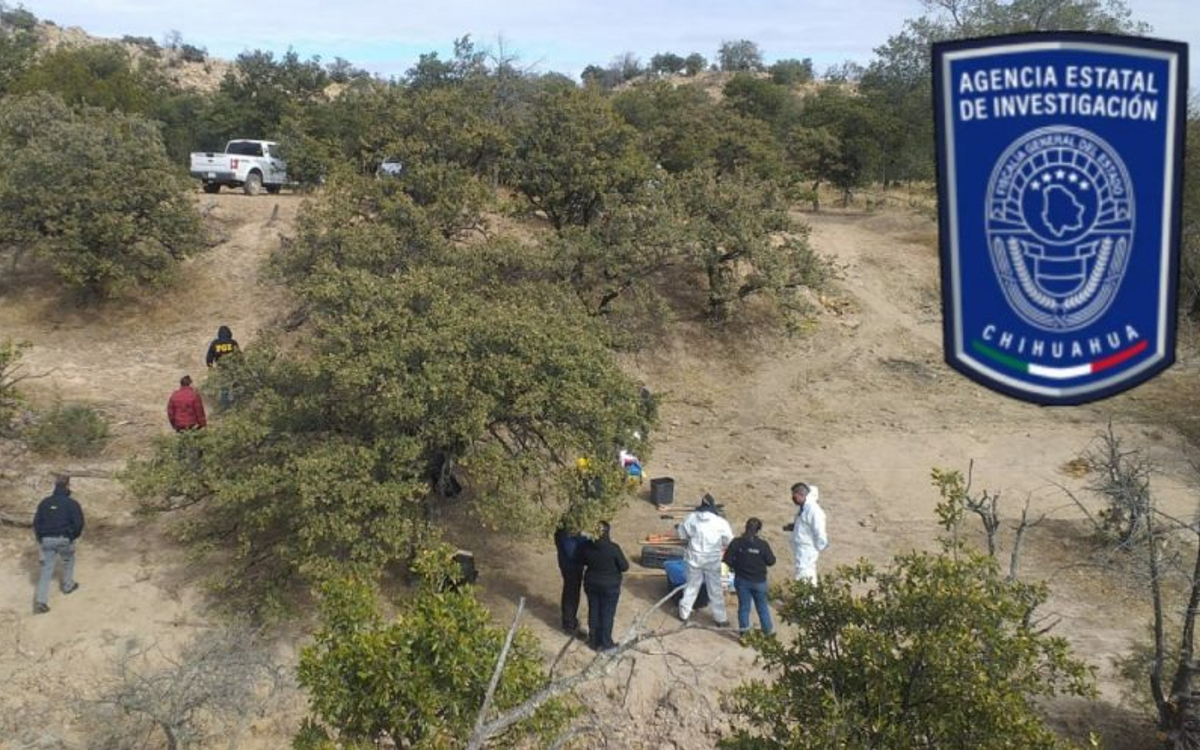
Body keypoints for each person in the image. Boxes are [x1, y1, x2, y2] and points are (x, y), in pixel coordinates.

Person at [676, 493, 734, 626]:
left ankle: (684, 614)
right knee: (715, 589)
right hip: (712, 560)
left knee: (691, 586)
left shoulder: (691, 518)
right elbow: (729, 540)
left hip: (694, 558)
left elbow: (681, 535)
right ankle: (720, 619)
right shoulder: (720, 522)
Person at [32, 476, 85, 614]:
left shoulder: (44, 503)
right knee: (68, 560)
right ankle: (68, 586)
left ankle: (41, 601)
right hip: (63, 538)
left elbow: (36, 523)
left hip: (46, 539)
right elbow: (79, 523)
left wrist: (40, 538)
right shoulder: (72, 503)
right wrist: (72, 536)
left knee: (46, 570)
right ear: (67, 486)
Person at [578, 521, 628, 651]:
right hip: (610, 586)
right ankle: (606, 643)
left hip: (592, 583)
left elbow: (581, 560)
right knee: (607, 614)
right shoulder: (613, 548)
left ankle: (593, 640)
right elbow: (624, 566)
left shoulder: (587, 547)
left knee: (593, 611)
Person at [723, 517, 776, 636]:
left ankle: (744, 634)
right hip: (759, 582)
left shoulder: (736, 543)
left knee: (744, 608)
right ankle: (768, 632)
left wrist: (735, 566)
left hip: (742, 581)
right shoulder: (762, 545)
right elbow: (771, 561)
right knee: (762, 607)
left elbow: (726, 560)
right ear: (758, 531)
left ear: (745, 527)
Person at [783, 482, 828, 584]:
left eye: (794, 495)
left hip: (807, 548)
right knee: (803, 572)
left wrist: (819, 546)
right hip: (801, 548)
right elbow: (804, 525)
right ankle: (806, 598)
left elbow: (819, 530)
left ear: (801, 495)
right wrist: (793, 528)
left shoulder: (814, 510)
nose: (793, 498)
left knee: (804, 574)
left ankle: (807, 599)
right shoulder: (803, 508)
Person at [554, 522, 588, 635]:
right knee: (571, 593)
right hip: (571, 567)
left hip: (570, 565)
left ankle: (570, 620)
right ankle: (569, 624)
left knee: (572, 592)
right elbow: (572, 553)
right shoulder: (566, 534)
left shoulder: (565, 531)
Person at [205, 325, 240, 407]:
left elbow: (209, 357)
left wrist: (210, 366)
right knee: (236, 385)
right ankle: (238, 403)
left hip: (221, 368)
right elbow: (239, 356)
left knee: (224, 387)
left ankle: (225, 405)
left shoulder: (215, 343)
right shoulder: (233, 343)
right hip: (233, 367)